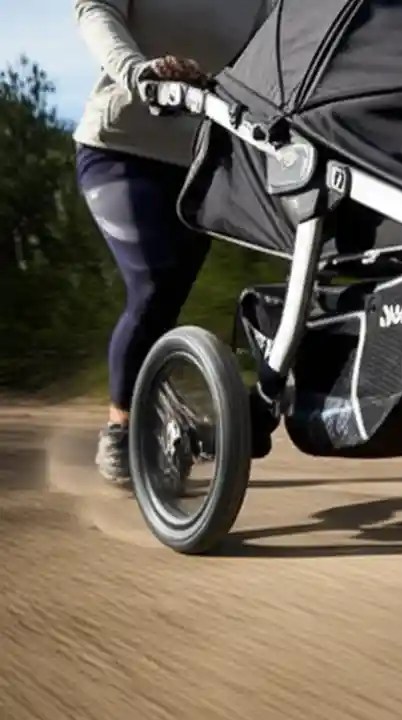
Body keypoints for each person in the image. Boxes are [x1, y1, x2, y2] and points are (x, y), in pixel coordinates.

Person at [72, 0, 270, 484]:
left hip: (202, 165)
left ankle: (174, 409)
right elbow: (95, 11)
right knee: (153, 282)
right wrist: (137, 71)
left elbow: (279, 54)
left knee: (168, 303)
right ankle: (121, 429)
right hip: (120, 151)